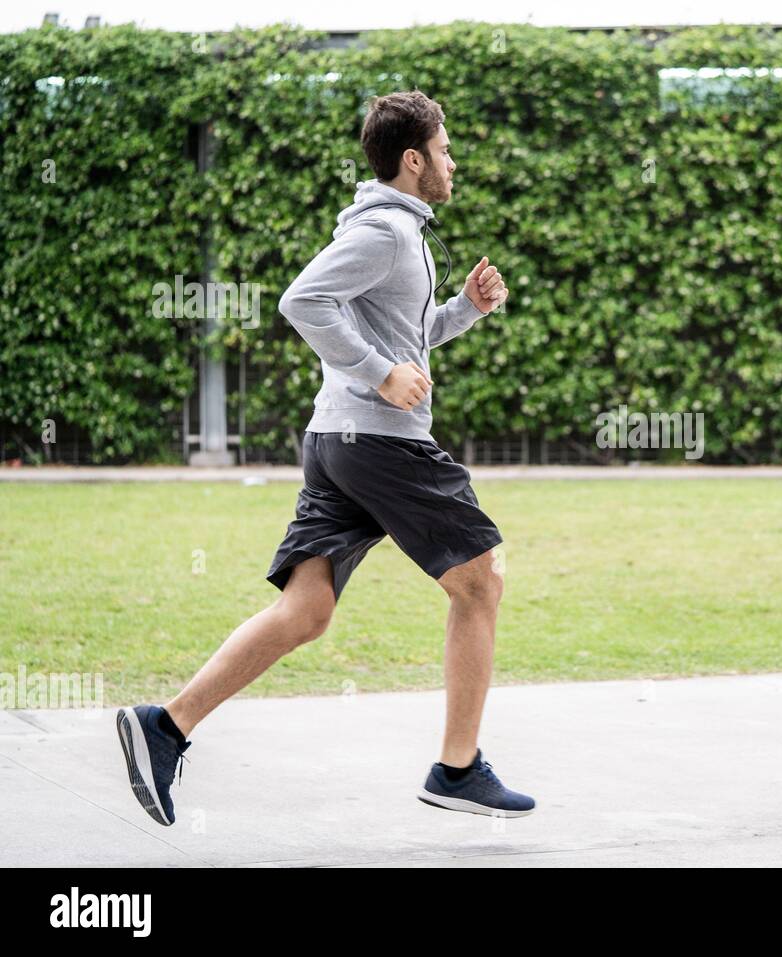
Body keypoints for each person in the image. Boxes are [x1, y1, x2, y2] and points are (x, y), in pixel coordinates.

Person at [116, 90, 534, 826]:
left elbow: (407, 336)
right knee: (480, 580)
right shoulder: (386, 233)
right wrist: (378, 373)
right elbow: (302, 301)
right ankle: (458, 767)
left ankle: (165, 727)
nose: (452, 161)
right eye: (444, 150)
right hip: (379, 441)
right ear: (414, 160)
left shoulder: (398, 230)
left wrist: (465, 309)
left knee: (305, 609)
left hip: (338, 442)